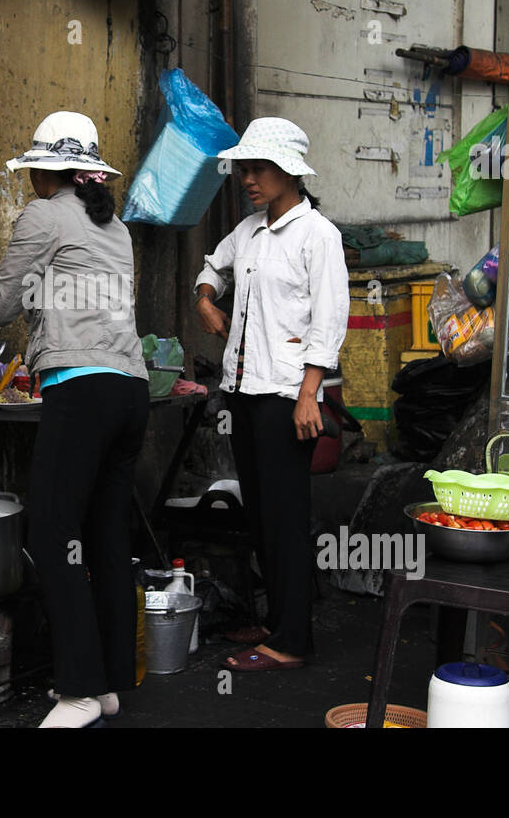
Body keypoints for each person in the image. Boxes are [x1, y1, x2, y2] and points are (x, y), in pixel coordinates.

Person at [0, 111, 150, 727]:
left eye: (34, 165)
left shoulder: (44, 214)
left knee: (51, 534)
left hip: (82, 392)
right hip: (131, 392)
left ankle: (80, 691)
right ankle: (112, 683)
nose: (30, 175)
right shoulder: (112, 224)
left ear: (48, 170)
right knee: (107, 536)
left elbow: (5, 298)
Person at [192, 117, 348, 672]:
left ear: (289, 172)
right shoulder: (249, 231)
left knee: (285, 517)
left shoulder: (318, 235)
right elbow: (212, 269)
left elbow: (329, 322)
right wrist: (208, 300)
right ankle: (277, 619)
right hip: (243, 388)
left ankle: (292, 641)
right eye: (244, 169)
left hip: (287, 394)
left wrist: (311, 395)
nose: (248, 178)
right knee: (259, 515)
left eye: (258, 169)